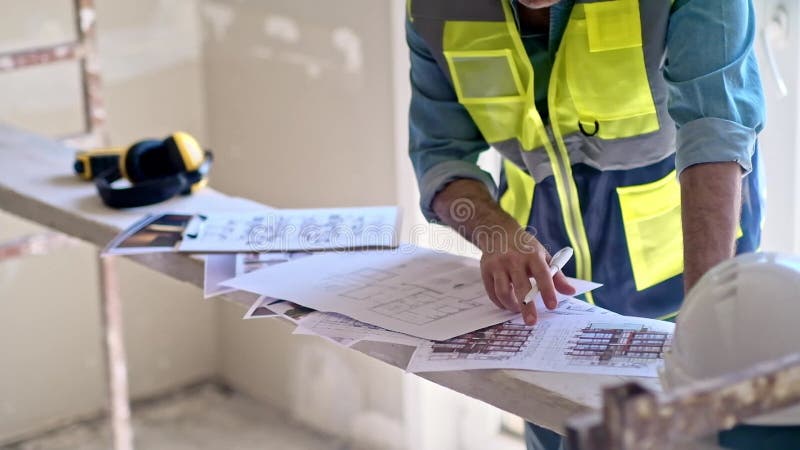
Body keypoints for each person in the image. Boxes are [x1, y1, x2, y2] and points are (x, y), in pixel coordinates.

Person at [405, 0, 765, 448]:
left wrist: (706, 317)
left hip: (689, 284)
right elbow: (440, 153)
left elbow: (717, 128)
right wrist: (496, 233)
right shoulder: (435, 9)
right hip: (549, 312)